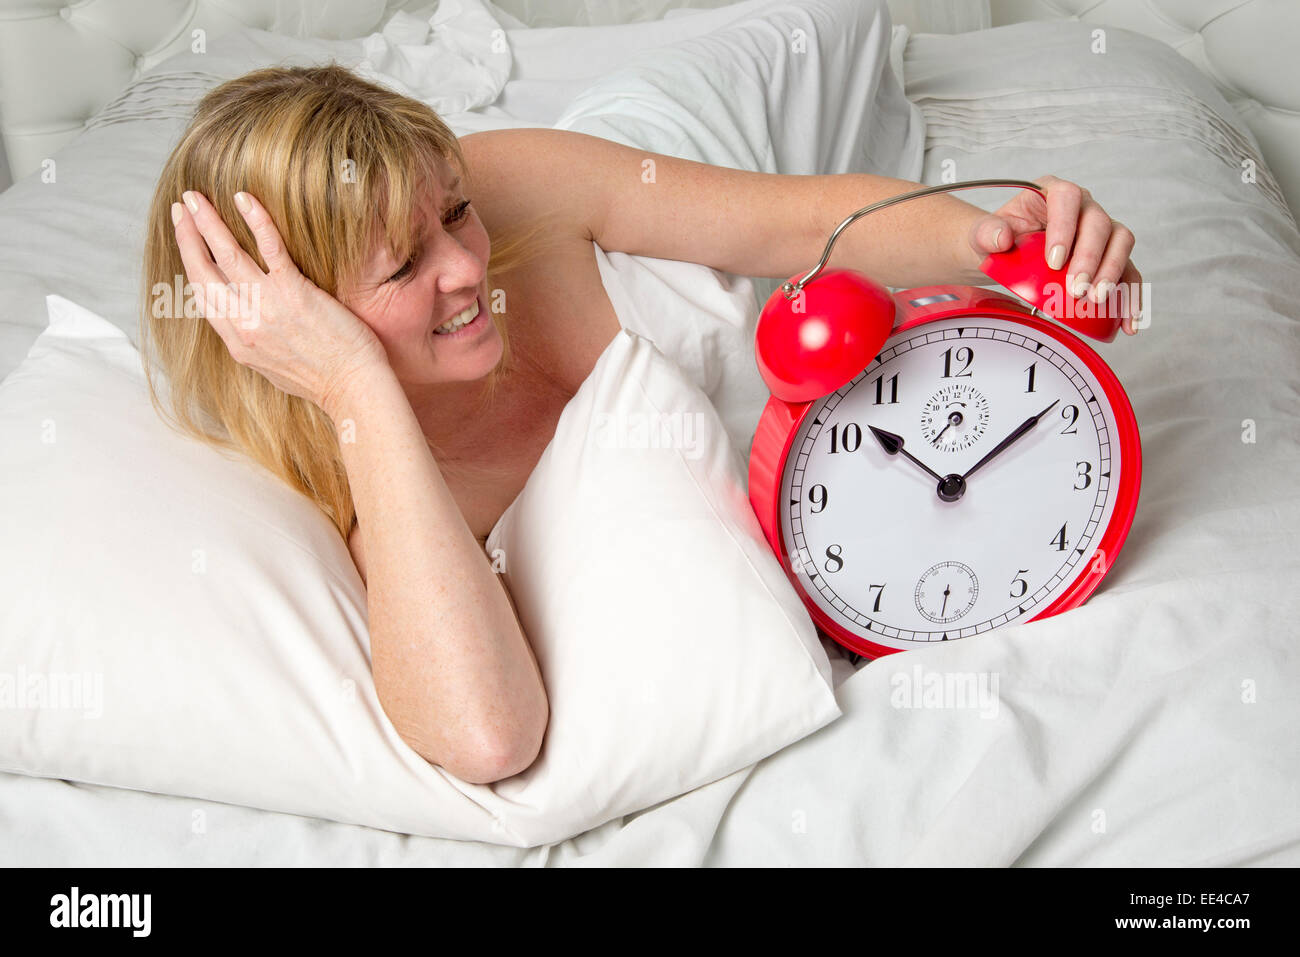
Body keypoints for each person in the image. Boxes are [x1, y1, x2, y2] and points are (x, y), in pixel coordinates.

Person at [141, 64, 1141, 785]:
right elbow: (490, 739)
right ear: (302, 319)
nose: (463, 269)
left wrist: (1005, 242)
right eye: (401, 268)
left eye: (455, 213)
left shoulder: (511, 188)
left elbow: (794, 225)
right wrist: (360, 388)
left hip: (658, 187)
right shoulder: (374, 483)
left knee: (792, 57)